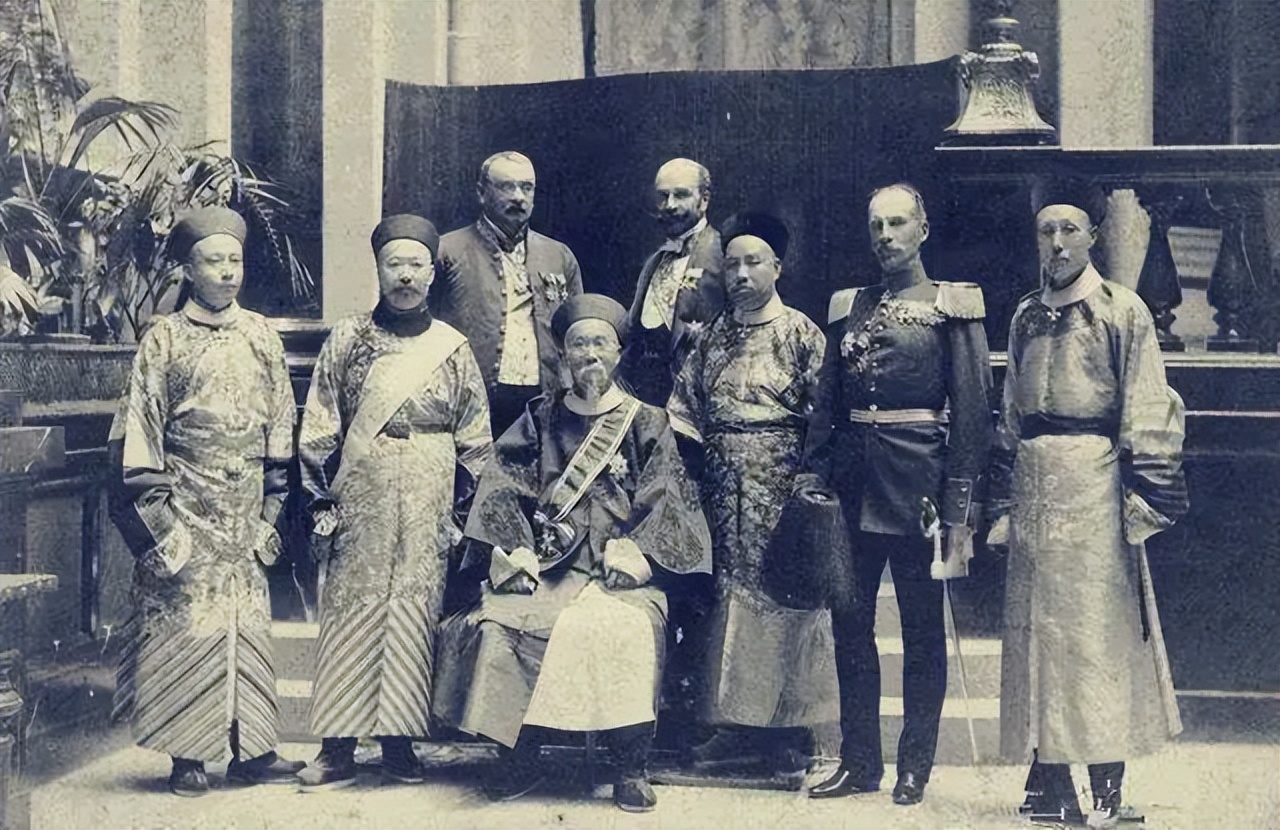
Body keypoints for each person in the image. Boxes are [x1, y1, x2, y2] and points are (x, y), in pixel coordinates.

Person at [432, 294, 713, 813]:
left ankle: (629, 763)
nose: (590, 355)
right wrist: (512, 551)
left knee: (624, 628)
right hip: (546, 564)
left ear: (619, 352)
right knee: (501, 625)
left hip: (617, 568)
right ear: (563, 354)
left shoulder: (647, 422)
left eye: (600, 343)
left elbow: (669, 499)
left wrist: (638, 555)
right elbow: (501, 488)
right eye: (578, 344)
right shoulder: (540, 418)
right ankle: (519, 751)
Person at [986, 179, 1187, 829]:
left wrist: (1144, 493)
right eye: (1046, 230)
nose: (1057, 242)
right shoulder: (1023, 315)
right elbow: (1010, 412)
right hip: (1033, 482)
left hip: (1096, 481)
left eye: (1070, 229)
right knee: (1038, 635)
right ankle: (1049, 785)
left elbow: (1148, 402)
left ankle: (1106, 789)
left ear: (1093, 237)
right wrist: (1000, 503)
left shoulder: (1120, 310)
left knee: (1095, 638)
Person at [803, 183, 992, 806]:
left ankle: (915, 766)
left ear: (923, 230)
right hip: (853, 490)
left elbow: (971, 415)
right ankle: (861, 763)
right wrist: (813, 474)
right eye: (876, 225)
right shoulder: (848, 307)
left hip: (924, 492)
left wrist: (960, 513)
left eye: (897, 224)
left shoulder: (953, 306)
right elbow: (828, 404)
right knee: (850, 629)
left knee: (920, 633)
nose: (885, 236)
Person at [108, 205, 305, 797]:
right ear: (189, 270)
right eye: (213, 261)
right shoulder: (164, 338)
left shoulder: (262, 336)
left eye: (234, 260)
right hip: (185, 504)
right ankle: (188, 755)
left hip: (244, 505)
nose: (227, 272)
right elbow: (140, 430)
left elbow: (280, 426)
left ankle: (254, 749)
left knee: (248, 624)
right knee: (188, 627)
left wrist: (273, 506)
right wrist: (161, 520)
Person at [295, 215, 492, 791]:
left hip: (430, 490)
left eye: (416, 265)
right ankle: (336, 747)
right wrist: (320, 499)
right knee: (352, 610)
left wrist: (465, 515)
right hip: (363, 489)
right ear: (378, 269)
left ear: (432, 273)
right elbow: (321, 426)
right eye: (394, 265)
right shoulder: (348, 339)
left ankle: (401, 745)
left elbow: (476, 440)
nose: (405, 275)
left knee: (414, 613)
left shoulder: (452, 348)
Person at [667, 212, 837, 780]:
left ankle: (787, 732)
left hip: (781, 486)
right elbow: (685, 408)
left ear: (777, 267)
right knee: (724, 603)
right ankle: (728, 727)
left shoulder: (801, 334)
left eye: (753, 262)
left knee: (781, 601)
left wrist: (808, 481)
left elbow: (825, 417)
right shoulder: (712, 336)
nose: (740, 274)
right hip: (719, 486)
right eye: (732, 264)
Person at [432, 151, 584, 437]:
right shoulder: (447, 251)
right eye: (506, 187)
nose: (518, 197)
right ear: (481, 193)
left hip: (544, 397)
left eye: (526, 187)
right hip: (472, 399)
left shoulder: (559, 255)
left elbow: (576, 332)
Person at [620, 158, 725, 407]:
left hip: (696, 399)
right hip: (643, 399)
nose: (670, 205)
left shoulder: (725, 255)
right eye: (663, 196)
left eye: (681, 195)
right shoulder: (655, 261)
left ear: (704, 200)